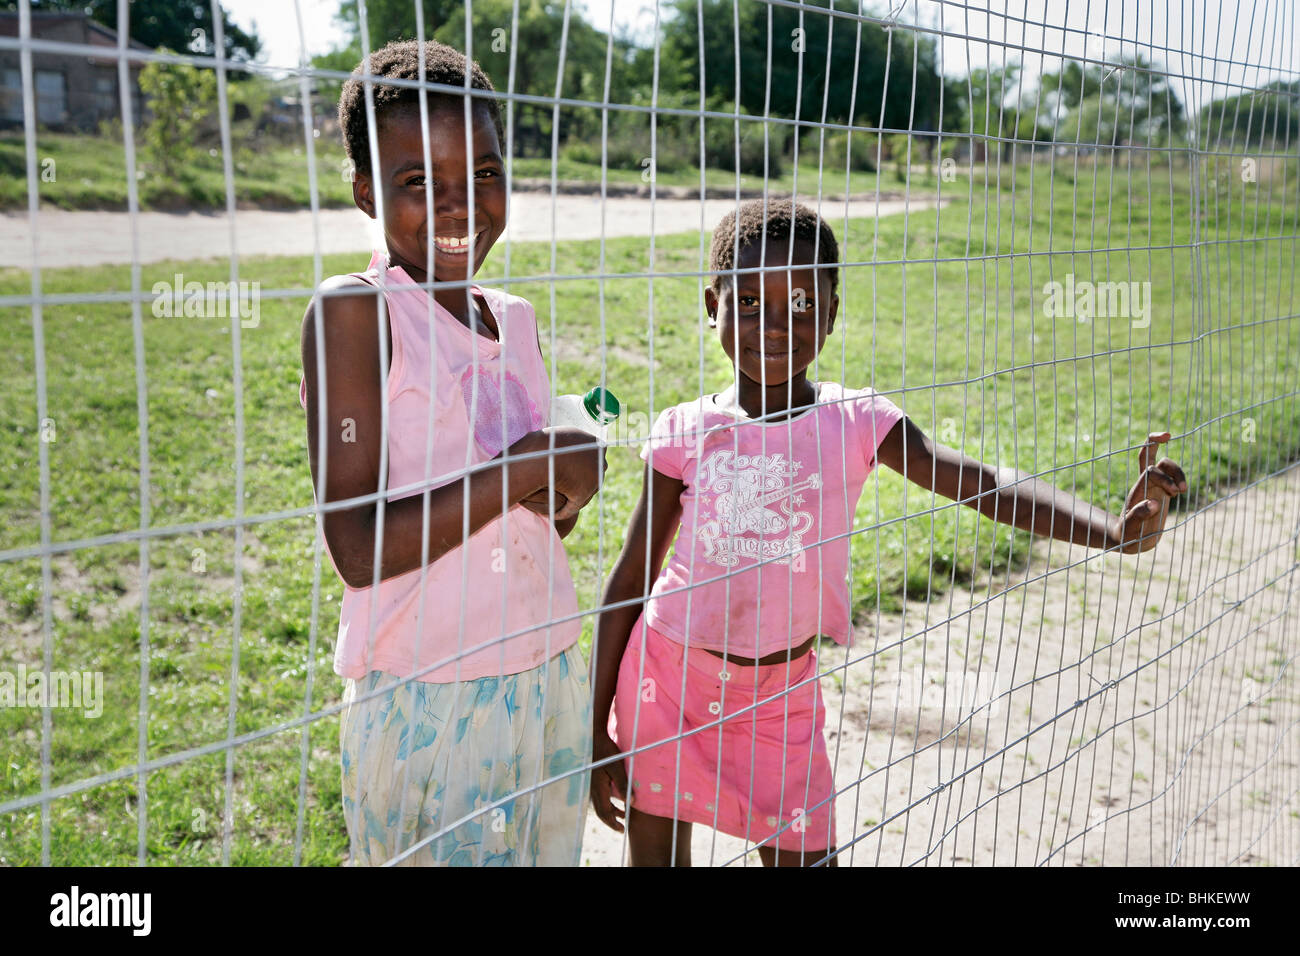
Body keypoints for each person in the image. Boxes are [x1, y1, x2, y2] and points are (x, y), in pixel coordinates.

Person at [589, 199, 1187, 866]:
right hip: (667, 685)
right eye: (750, 301)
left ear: (833, 312)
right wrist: (593, 728)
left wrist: (1115, 530)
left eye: (802, 304)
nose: (775, 326)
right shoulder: (684, 429)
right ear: (713, 304)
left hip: (780, 701)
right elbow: (629, 581)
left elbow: (982, 482)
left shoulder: (857, 422)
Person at [299, 39, 604, 866]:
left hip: (549, 678)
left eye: (485, 174)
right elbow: (357, 550)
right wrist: (522, 471)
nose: (459, 207)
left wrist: (569, 484)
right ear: (365, 191)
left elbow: (538, 525)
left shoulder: (515, 318)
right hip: (430, 699)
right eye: (415, 183)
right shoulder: (357, 316)